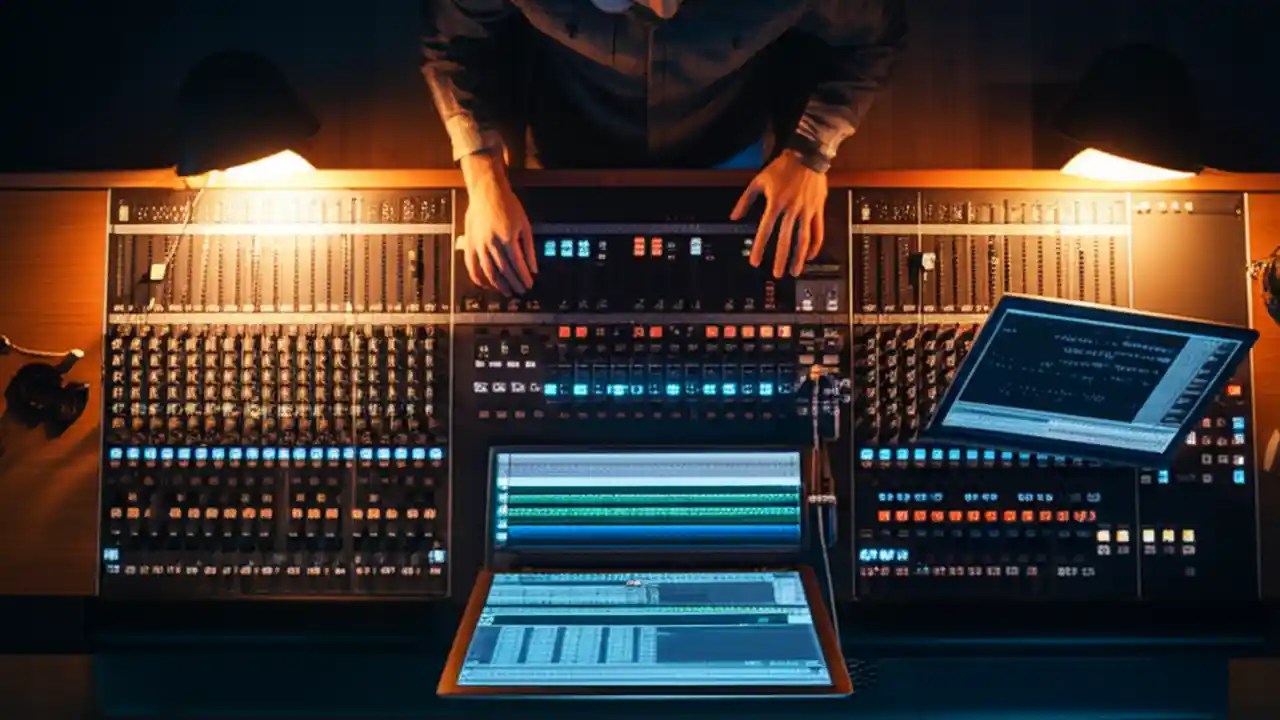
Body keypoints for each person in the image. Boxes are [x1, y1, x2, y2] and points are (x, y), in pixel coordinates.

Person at [423, 0, 905, 295]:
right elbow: (450, 40)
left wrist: (809, 152)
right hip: (564, 160)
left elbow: (876, 35)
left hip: (731, 162)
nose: (655, 9)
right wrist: (482, 176)